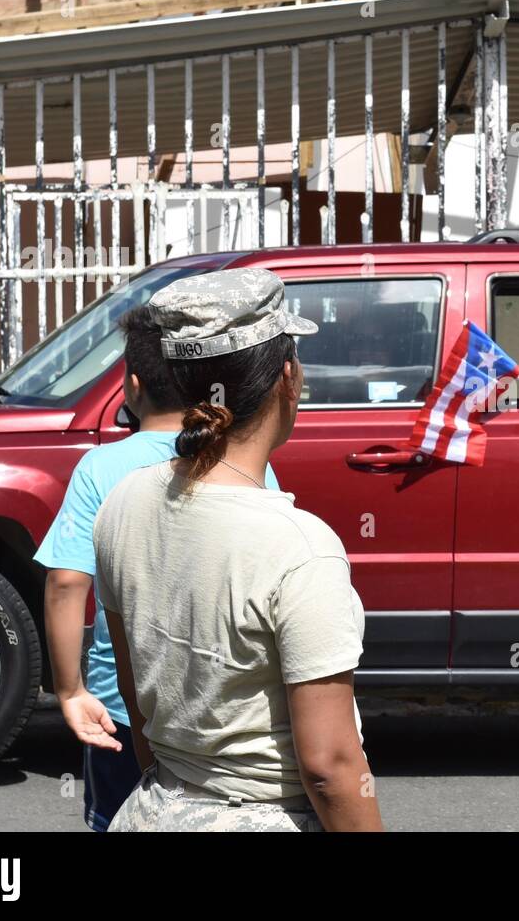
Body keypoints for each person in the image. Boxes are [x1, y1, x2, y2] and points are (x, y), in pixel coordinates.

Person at [96, 267, 382, 832]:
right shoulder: (300, 546)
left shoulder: (124, 500)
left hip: (153, 810)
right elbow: (329, 766)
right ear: (287, 377)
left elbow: (135, 692)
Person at [35, 305, 282, 832]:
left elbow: (66, 581)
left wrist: (70, 689)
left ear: (131, 386)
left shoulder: (100, 467)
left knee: (125, 820)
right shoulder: (246, 462)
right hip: (225, 711)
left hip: (124, 707)